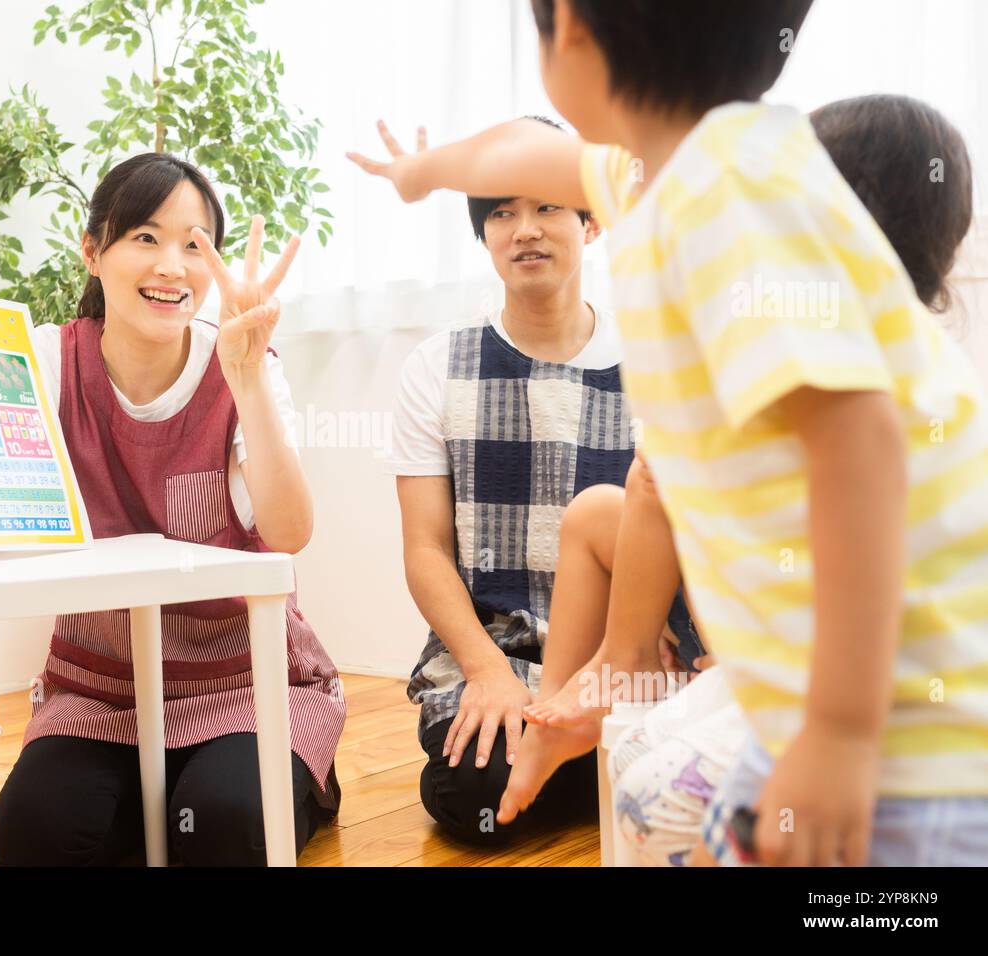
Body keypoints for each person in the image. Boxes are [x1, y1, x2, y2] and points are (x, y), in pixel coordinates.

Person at [350, 0, 988, 865]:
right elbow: (524, 153)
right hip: (821, 685)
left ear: (567, 28)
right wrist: (428, 170)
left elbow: (863, 438)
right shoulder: (667, 177)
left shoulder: (734, 203)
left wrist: (839, 733)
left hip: (904, 709)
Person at [0, 153, 346, 866]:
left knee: (218, 825)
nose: (172, 267)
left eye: (194, 244)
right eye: (146, 238)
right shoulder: (42, 363)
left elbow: (289, 532)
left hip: (246, 682)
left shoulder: (246, 363)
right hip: (100, 693)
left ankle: (283, 779)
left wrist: (244, 376)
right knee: (38, 834)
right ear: (93, 251)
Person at [385, 118, 631, 844]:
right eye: (501, 212)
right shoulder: (439, 365)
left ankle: (584, 761)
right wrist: (485, 669)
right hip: (497, 648)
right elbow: (426, 549)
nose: (525, 229)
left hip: (613, 656)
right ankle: (583, 771)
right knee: (472, 793)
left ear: (590, 224)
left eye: (548, 206)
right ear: (485, 236)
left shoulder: (653, 366)